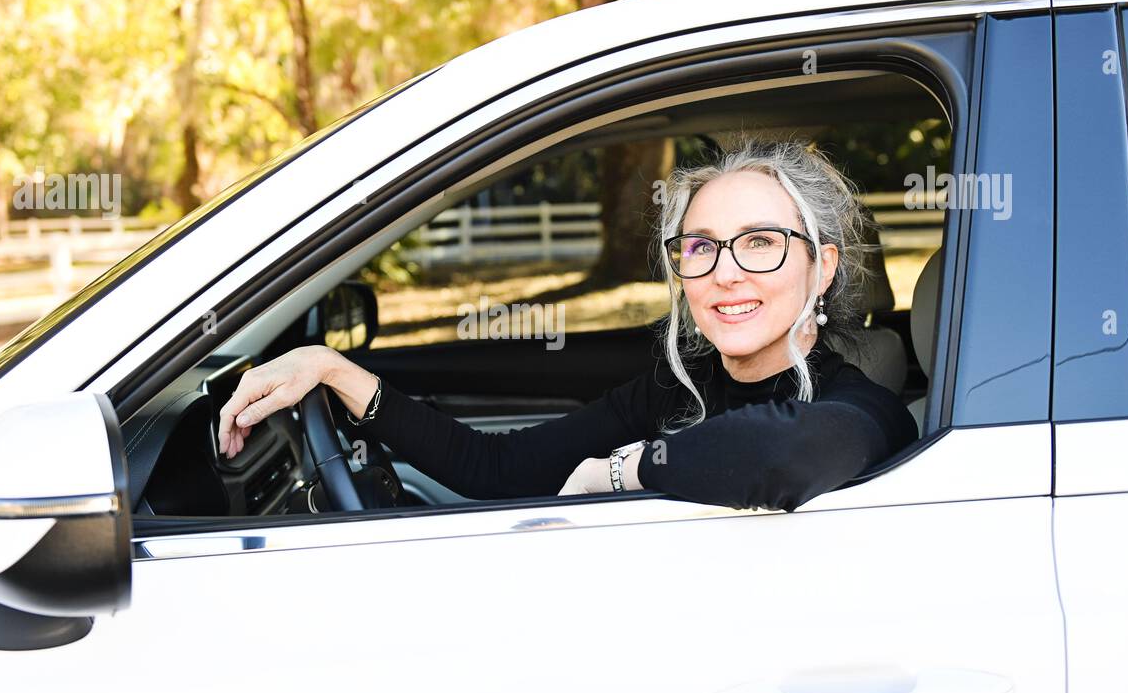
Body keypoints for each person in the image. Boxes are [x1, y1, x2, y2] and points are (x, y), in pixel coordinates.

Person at [217, 136, 919, 512]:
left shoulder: (863, 408)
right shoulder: (680, 387)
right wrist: (337, 372)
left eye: (760, 243)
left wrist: (623, 472)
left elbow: (781, 458)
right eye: (701, 247)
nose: (725, 272)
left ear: (821, 267)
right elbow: (498, 469)